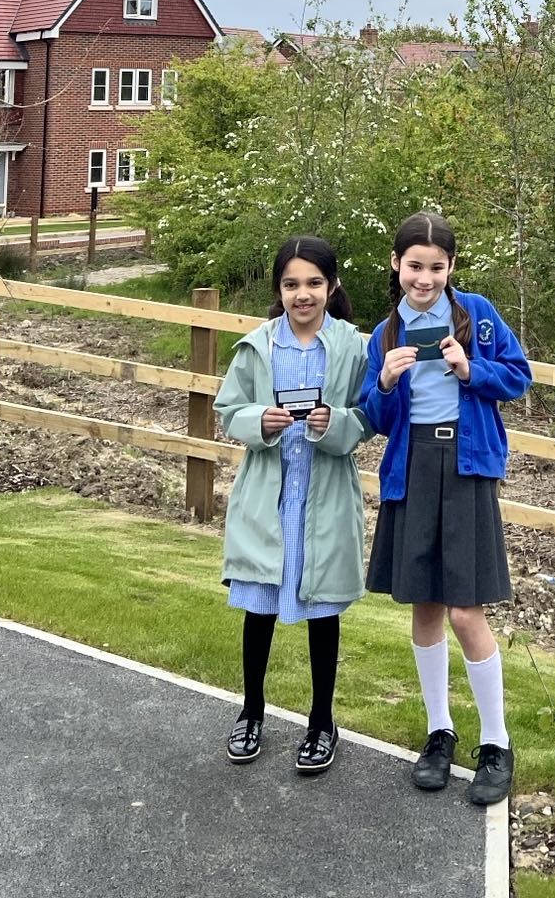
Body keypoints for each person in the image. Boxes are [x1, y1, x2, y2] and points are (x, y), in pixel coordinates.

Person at [360, 210, 532, 806]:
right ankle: (439, 733)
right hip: (412, 471)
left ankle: (496, 742)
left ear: (451, 267)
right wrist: (383, 380)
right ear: (396, 266)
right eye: (414, 266)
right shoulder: (384, 333)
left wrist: (469, 368)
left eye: (436, 267)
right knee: (426, 606)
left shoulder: (477, 316)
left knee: (466, 611)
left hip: (466, 465)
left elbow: (518, 377)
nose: (424, 278)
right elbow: (374, 419)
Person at [213, 235, 368, 774]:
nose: (303, 295)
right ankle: (251, 711)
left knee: (323, 612)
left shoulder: (353, 347)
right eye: (291, 284)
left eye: (313, 283)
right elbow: (228, 410)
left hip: (324, 498)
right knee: (259, 611)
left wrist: (336, 425)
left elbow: (368, 416)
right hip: (267, 499)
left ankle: (322, 722)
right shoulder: (257, 346)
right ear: (278, 290)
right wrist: (260, 421)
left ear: (332, 286)